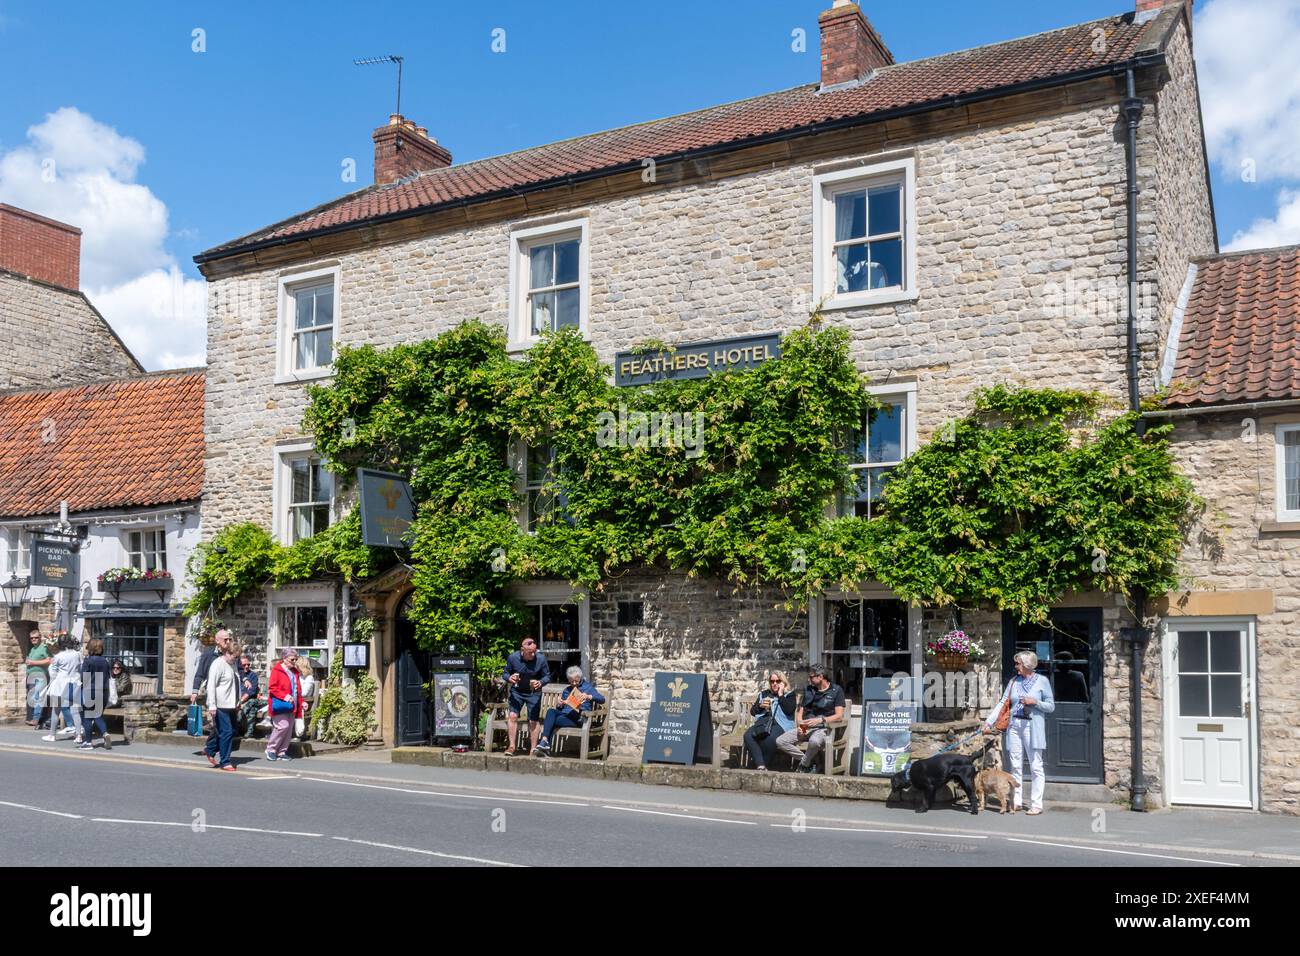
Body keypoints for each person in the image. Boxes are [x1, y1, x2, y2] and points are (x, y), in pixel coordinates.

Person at [983, 650, 1056, 814]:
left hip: (1032, 727)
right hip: (1014, 726)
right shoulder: (1014, 681)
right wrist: (989, 721)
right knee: (1015, 765)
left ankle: (1036, 804)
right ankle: (1016, 801)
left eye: (1018, 663)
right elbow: (1003, 703)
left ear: (1028, 665)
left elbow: (1051, 706)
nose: (1016, 666)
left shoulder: (1042, 681)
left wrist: (1035, 702)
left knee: (1036, 766)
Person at [777, 664, 845, 773]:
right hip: (806, 727)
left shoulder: (836, 690)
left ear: (821, 676)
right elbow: (800, 711)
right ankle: (810, 762)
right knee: (781, 741)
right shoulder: (808, 690)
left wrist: (821, 720)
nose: (809, 679)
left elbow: (839, 716)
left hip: (825, 728)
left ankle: (804, 764)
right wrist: (800, 726)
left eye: (811, 677)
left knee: (814, 741)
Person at [534, 666, 604, 757]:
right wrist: (560, 704)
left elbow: (602, 699)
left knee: (551, 721)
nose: (574, 683)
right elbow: (559, 709)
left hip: (579, 718)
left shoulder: (588, 688)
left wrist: (589, 696)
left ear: (581, 678)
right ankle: (544, 741)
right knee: (551, 711)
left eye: (576, 681)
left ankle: (545, 745)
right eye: (571, 681)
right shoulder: (567, 690)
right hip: (566, 717)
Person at [502, 637, 550, 756]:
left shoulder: (541, 659)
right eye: (530, 652)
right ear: (522, 650)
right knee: (512, 716)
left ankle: (533, 749)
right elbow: (505, 673)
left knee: (533, 720)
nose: (533, 654)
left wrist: (540, 682)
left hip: (533, 692)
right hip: (517, 691)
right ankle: (512, 746)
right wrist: (509, 678)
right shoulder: (513, 657)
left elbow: (547, 676)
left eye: (534, 651)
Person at [743, 670, 798, 771]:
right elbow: (753, 712)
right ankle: (761, 765)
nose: (774, 684)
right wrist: (760, 706)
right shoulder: (764, 694)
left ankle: (763, 764)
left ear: (783, 682)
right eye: (772, 681)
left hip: (781, 724)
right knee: (748, 735)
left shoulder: (789, 694)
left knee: (769, 739)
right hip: (764, 723)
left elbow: (789, 710)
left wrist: (781, 695)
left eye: (777, 681)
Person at [192, 629, 233, 760]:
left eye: (229, 639)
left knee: (227, 727)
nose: (228, 642)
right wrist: (194, 691)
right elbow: (200, 673)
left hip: (229, 696)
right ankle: (212, 750)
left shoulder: (231, 653)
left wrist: (244, 679)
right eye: (225, 639)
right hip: (213, 694)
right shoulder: (209, 654)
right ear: (217, 641)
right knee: (218, 725)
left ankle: (210, 749)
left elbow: (237, 671)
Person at [204, 641, 241, 771]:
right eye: (234, 656)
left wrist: (238, 702)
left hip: (231, 704)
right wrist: (212, 705)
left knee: (230, 731)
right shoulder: (218, 664)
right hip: (220, 704)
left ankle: (210, 749)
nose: (236, 659)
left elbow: (236, 683)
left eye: (237, 657)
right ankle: (225, 761)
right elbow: (211, 685)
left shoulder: (233, 664)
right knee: (226, 732)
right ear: (227, 653)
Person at [41, 636, 83, 742]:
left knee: (56, 710)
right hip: (75, 682)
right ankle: (78, 736)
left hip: (60, 684)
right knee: (75, 710)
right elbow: (81, 668)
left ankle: (52, 735)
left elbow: (52, 672)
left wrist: (54, 678)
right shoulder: (78, 654)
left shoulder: (58, 656)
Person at [265, 648, 302, 761]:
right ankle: (271, 749)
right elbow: (272, 688)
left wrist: (302, 702)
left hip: (293, 704)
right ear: (284, 659)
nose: (294, 661)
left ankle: (282, 752)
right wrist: (285, 696)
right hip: (280, 704)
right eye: (292, 659)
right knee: (282, 726)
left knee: (289, 728)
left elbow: (297, 688)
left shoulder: (294, 671)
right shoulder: (277, 670)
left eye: (296, 659)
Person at [79, 639, 112, 751]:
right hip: (103, 691)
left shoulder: (88, 661)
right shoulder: (105, 661)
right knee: (97, 715)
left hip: (90, 690)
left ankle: (88, 742)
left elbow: (84, 677)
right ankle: (105, 733)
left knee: (87, 717)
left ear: (90, 648)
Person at [24, 629, 51, 727]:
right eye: (32, 638)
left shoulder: (44, 647)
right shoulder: (33, 649)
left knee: (38, 697)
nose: (34, 639)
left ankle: (36, 719)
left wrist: (33, 663)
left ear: (40, 638)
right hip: (31, 676)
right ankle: (35, 718)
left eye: (36, 637)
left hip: (40, 676)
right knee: (33, 698)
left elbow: (49, 660)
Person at [235, 653, 261, 738]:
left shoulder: (252, 675)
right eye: (244, 665)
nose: (246, 666)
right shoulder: (236, 675)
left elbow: (251, 692)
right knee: (251, 709)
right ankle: (246, 732)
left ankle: (238, 730)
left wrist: (240, 702)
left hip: (248, 700)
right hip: (237, 700)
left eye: (248, 664)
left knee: (250, 705)